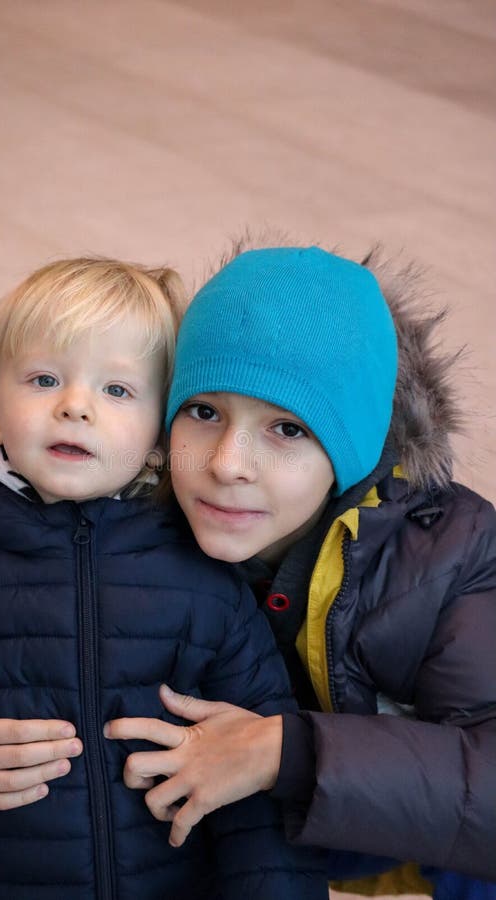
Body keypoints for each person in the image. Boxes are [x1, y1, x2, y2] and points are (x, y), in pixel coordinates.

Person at [0, 256, 328, 899]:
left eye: (117, 390)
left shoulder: (208, 582)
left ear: (161, 434)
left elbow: (257, 798)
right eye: (44, 379)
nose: (75, 407)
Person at [103, 243, 496, 899]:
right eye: (204, 412)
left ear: (353, 449)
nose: (228, 463)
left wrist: (286, 751)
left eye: (287, 428)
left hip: (387, 819)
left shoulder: (452, 554)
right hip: (234, 818)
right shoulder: (124, 525)